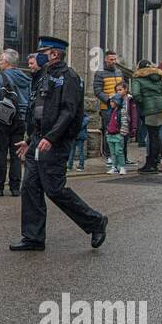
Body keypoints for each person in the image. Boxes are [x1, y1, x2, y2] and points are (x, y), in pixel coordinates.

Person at [10, 37, 108, 252]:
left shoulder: (69, 77)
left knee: (54, 189)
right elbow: (39, 111)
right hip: (38, 140)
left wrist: (51, 137)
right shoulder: (44, 75)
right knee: (29, 187)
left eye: (41, 51)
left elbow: (69, 111)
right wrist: (30, 140)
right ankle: (33, 237)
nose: (37, 55)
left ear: (54, 54)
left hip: (54, 143)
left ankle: (95, 221)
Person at [0, 49, 31, 197]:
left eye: (0, 59)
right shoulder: (26, 79)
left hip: (3, 118)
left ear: (6, 62)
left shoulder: (0, 78)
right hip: (21, 119)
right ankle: (15, 188)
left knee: (1, 154)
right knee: (16, 154)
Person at [131, 60, 162, 173]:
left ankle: (151, 164)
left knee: (153, 136)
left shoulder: (137, 79)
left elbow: (136, 94)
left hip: (150, 109)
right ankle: (155, 162)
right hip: (161, 107)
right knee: (156, 135)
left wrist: (142, 103)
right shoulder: (157, 77)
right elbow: (161, 92)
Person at [92, 50, 125, 161]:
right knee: (109, 131)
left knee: (121, 131)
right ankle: (109, 155)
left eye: (115, 59)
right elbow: (97, 91)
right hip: (107, 108)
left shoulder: (119, 72)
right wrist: (109, 100)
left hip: (119, 107)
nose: (113, 61)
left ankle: (120, 155)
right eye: (111, 59)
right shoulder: (100, 73)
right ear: (105, 59)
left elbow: (123, 87)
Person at [103, 82, 133, 175]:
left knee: (119, 151)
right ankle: (114, 167)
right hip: (111, 135)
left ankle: (122, 167)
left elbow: (124, 123)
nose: (111, 103)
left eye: (112, 101)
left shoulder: (121, 111)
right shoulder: (110, 112)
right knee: (112, 153)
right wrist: (107, 132)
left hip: (118, 135)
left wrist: (122, 133)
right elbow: (108, 123)